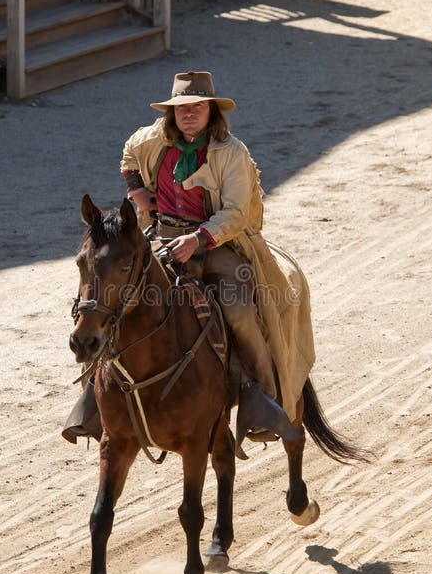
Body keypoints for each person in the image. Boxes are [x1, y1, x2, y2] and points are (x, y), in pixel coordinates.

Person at [62, 71, 315, 447]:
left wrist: (197, 239)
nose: (189, 114)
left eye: (197, 107)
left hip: (218, 243)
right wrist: (136, 192)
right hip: (161, 235)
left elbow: (236, 212)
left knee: (239, 309)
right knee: (109, 297)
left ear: (212, 111)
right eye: (182, 108)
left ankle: (261, 398)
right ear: (172, 113)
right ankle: (93, 402)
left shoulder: (232, 153)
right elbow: (129, 153)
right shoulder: (151, 139)